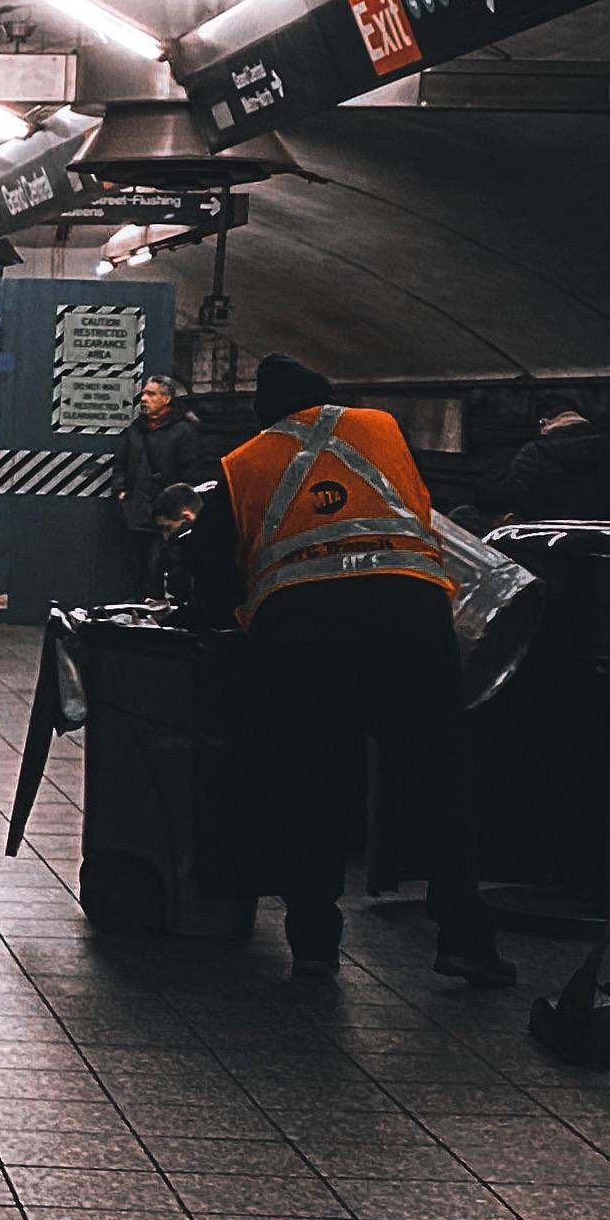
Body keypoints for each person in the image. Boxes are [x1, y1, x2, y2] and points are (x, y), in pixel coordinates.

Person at [176, 354, 515, 987]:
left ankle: (314, 944)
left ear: (265, 413)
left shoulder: (243, 462)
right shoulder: (380, 429)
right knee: (437, 779)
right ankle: (466, 936)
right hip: (409, 618)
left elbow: (213, 572)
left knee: (310, 782)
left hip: (303, 633)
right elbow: (418, 509)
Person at [480, 401, 610, 525]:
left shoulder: (533, 452)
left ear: (544, 423)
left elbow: (515, 495)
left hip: (546, 539)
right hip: (603, 537)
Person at [117, 372, 201, 592]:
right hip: (135, 515)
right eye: (144, 393)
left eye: (151, 394)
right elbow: (121, 463)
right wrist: (122, 492)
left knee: (156, 572)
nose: (144, 398)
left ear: (166, 399)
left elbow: (190, 471)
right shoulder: (135, 430)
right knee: (134, 573)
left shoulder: (183, 432)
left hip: (163, 520)